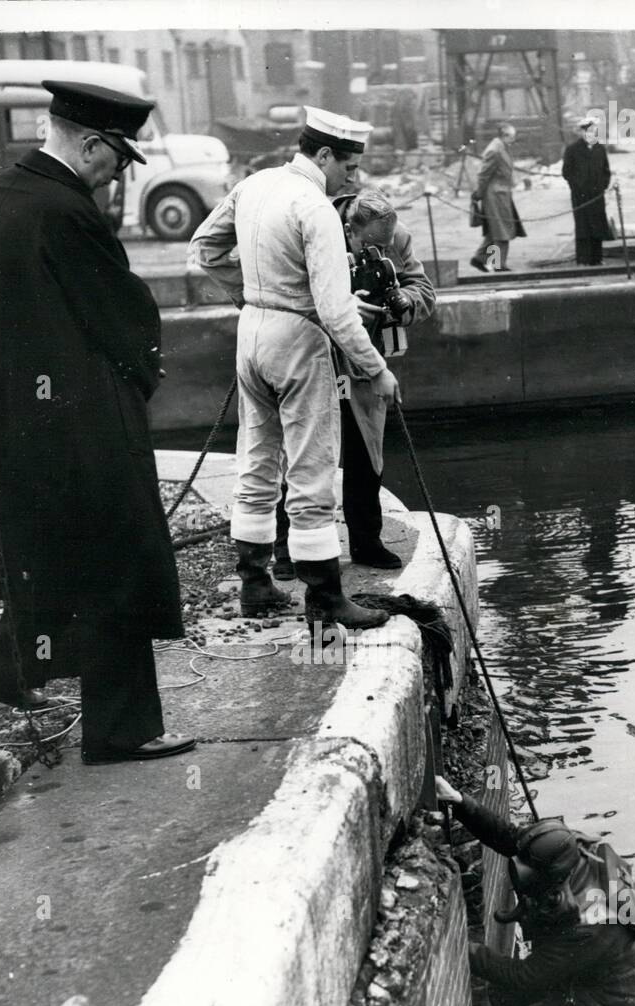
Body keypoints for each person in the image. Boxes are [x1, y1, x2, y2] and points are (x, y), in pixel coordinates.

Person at [0, 80, 194, 764]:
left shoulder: (0, 193)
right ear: (91, 143)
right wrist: (138, 380)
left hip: (17, 417)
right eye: (119, 157)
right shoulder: (67, 213)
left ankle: (9, 670)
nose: (120, 171)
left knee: (40, 552)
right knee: (116, 559)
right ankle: (120, 729)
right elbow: (122, 316)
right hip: (83, 421)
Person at [191, 106, 401, 628]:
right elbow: (334, 310)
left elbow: (204, 249)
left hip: (252, 334)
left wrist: (248, 296)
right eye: (348, 167)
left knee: (258, 460)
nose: (353, 178)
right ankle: (326, 598)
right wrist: (375, 368)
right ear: (323, 154)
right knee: (311, 468)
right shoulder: (316, 207)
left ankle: (255, 584)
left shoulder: (255, 184)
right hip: (299, 340)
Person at [436, 775, 635, 1006]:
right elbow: (510, 838)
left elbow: (526, 976)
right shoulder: (565, 847)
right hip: (593, 963)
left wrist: (456, 948)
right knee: (505, 1001)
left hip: (612, 994)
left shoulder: (589, 923)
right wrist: (460, 802)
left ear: (555, 876)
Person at [272, 188, 435, 574]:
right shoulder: (311, 230)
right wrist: (341, 303)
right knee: (302, 453)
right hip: (314, 357)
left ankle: (367, 542)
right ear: (348, 228)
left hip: (363, 363)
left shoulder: (397, 236)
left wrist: (404, 301)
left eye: (384, 244)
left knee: (366, 452)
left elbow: (425, 291)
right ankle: (285, 550)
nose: (376, 250)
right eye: (368, 243)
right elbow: (284, 294)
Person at [470, 122, 526, 273]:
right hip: (495, 195)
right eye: (512, 137)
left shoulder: (501, 147)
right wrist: (479, 194)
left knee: (496, 230)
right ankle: (498, 265)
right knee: (502, 231)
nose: (513, 140)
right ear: (504, 135)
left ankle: (480, 258)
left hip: (501, 194)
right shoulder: (495, 150)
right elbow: (483, 174)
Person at [561, 118, 613, 266]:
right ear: (582, 132)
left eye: (593, 131)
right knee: (583, 226)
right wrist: (577, 187)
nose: (591, 134)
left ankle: (597, 258)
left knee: (597, 225)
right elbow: (566, 172)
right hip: (580, 196)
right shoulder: (572, 150)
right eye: (588, 131)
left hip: (597, 195)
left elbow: (606, 171)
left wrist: (603, 185)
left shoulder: (600, 149)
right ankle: (583, 259)